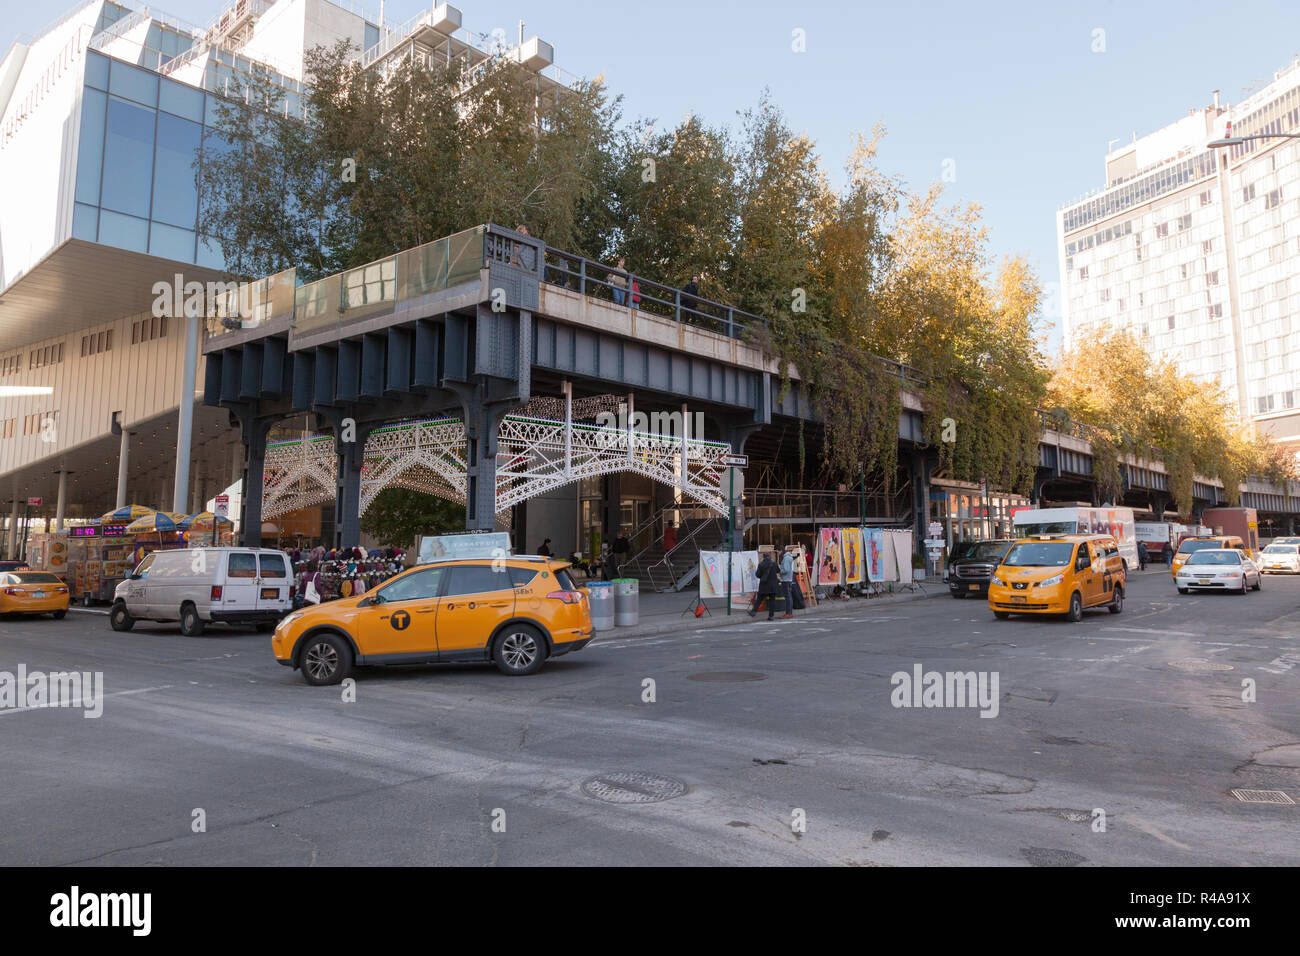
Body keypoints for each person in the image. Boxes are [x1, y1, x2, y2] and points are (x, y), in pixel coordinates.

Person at [750, 552, 781, 620]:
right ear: (770, 557)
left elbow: (757, 575)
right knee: (772, 600)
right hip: (773, 585)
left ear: (763, 557)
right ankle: (771, 616)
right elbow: (778, 571)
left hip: (764, 585)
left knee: (759, 599)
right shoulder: (774, 564)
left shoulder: (761, 564)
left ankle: (754, 611)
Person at [779, 548, 795, 619]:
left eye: (778, 551)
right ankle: (789, 612)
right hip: (789, 579)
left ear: (781, 551)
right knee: (789, 597)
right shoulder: (789, 557)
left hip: (785, 580)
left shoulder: (785, 558)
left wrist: (780, 569)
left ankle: (788, 613)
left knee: (787, 597)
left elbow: (785, 570)